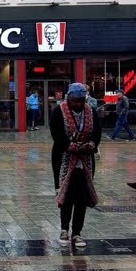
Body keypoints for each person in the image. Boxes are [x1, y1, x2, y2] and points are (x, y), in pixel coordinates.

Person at [49, 83, 99, 249]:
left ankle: (77, 232)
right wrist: (73, 146)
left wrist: (91, 145)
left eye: (81, 100)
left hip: (85, 161)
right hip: (64, 159)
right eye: (75, 100)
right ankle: (64, 229)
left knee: (81, 198)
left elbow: (97, 133)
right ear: (69, 98)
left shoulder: (91, 112)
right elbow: (57, 136)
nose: (78, 104)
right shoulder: (59, 111)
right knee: (66, 196)